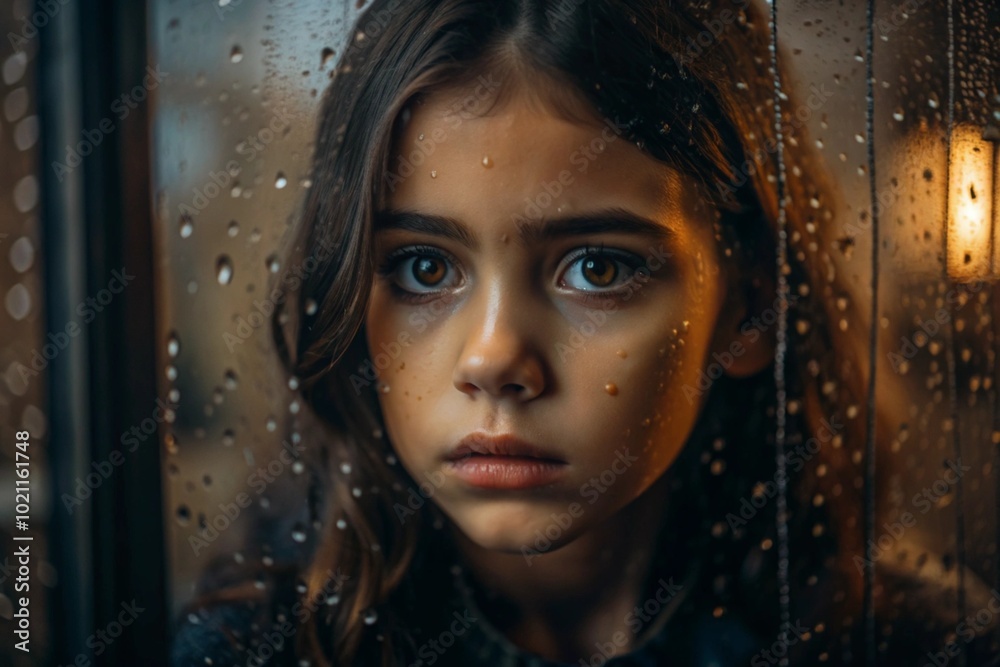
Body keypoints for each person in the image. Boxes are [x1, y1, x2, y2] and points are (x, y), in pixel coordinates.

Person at [171, 1, 995, 665]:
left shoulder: (917, 642)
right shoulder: (256, 646)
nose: (494, 358)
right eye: (423, 268)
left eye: (597, 268)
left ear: (749, 309)